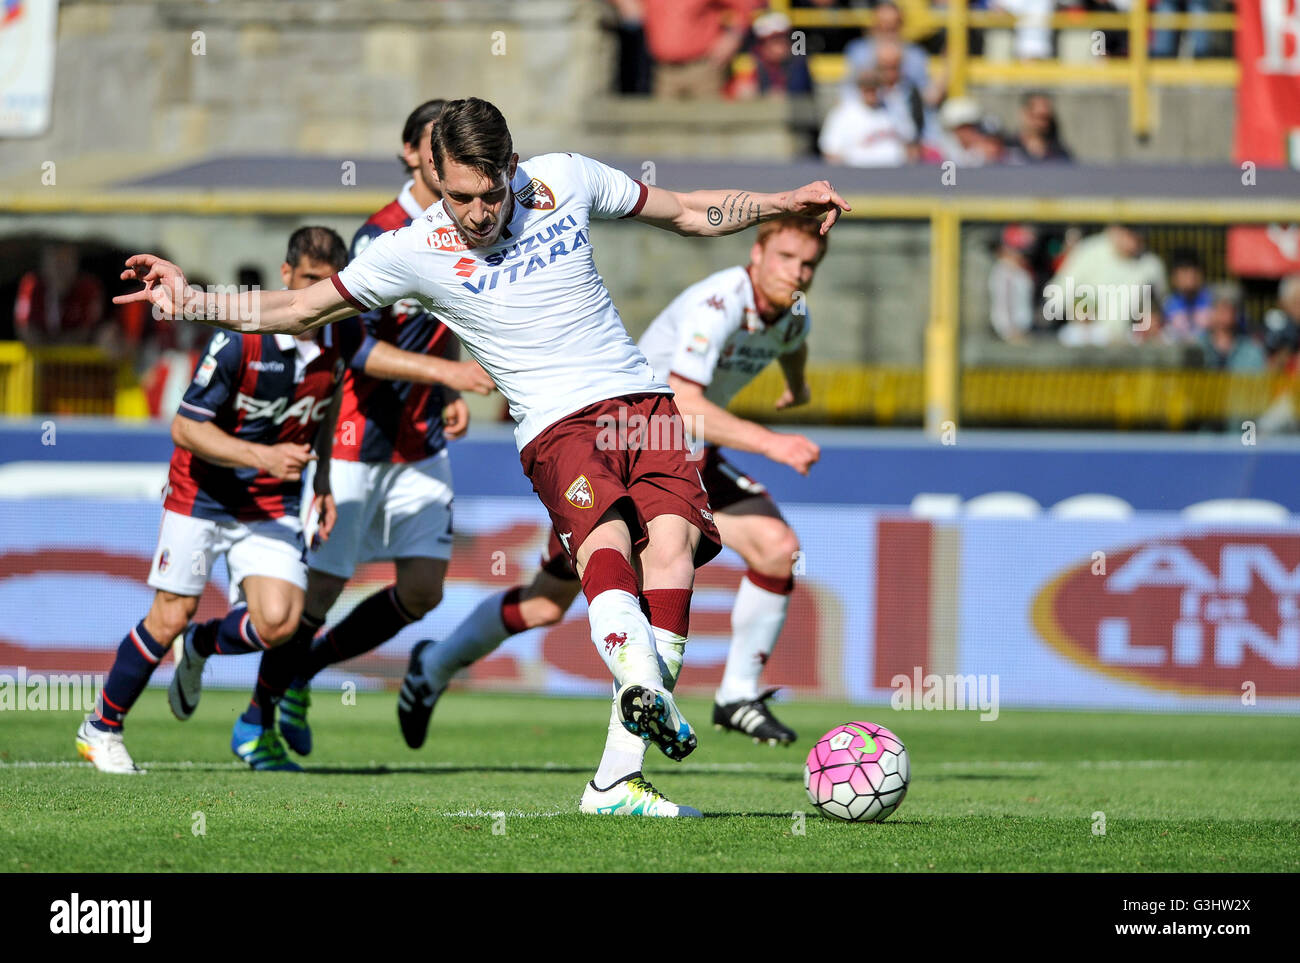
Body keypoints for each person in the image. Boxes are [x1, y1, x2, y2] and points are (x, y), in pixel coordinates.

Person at [111, 97, 850, 815]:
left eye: (488, 194)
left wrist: (782, 201)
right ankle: (637, 683)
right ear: (435, 175)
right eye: (458, 196)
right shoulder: (413, 248)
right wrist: (193, 299)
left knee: (677, 553)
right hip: (559, 425)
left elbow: (687, 211)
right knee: (610, 543)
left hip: (642, 402)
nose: (475, 212)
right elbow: (303, 308)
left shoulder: (562, 178)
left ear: (513, 169)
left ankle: (618, 779)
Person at [400, 214, 827, 766]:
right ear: (758, 254)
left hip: (677, 451)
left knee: (775, 547)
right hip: (626, 441)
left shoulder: (793, 314)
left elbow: (793, 340)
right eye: (786, 259)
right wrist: (774, 443)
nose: (797, 274)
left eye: (809, 264)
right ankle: (432, 668)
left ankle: (734, 695)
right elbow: (683, 399)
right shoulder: (718, 304)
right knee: (544, 605)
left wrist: (797, 385)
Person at [231, 99, 495, 768]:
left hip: (419, 438)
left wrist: (441, 389)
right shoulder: (381, 236)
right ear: (413, 155)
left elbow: (455, 305)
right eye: (437, 148)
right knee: (317, 593)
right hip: (355, 435)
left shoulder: (468, 225)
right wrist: (448, 373)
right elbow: (355, 349)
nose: (449, 162)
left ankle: (304, 672)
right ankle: (255, 715)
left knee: (424, 588)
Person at [75, 227, 350, 774]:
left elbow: (326, 404)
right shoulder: (239, 339)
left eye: (330, 284)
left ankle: (201, 645)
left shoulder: (339, 341)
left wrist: (321, 482)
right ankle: (99, 728)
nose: (321, 295)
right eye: (312, 281)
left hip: (268, 502)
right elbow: (185, 428)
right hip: (202, 492)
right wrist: (263, 458)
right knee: (167, 616)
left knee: (281, 621)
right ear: (287, 277)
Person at [643, 0, 760, 99]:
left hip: (703, 69)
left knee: (707, 121)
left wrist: (733, 37)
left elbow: (747, 5)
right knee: (663, 122)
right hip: (663, 72)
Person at [819, 68, 909, 168]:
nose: (871, 91)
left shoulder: (893, 109)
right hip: (858, 175)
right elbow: (830, 152)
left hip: (896, 173)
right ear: (859, 88)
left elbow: (910, 144)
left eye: (875, 86)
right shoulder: (842, 113)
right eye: (867, 87)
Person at [728, 11, 814, 99]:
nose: (781, 44)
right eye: (775, 39)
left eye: (784, 37)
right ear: (761, 43)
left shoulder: (799, 64)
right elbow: (739, 93)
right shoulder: (749, 63)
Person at [1160, 248, 1212, 343]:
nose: (1191, 275)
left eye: (1195, 270)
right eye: (1184, 270)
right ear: (1173, 277)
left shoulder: (1214, 302)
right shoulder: (1166, 305)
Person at [1006, 92, 1072, 164]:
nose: (1043, 123)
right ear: (1024, 114)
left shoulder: (1059, 153)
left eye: (1046, 118)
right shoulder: (1007, 149)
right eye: (1038, 116)